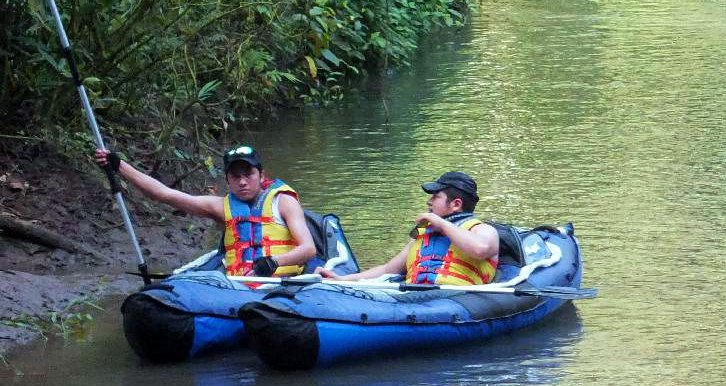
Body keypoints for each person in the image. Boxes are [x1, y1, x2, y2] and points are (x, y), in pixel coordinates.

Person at [93, 143, 315, 277]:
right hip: (240, 284)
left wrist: (272, 263)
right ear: (227, 180)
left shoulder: (283, 201)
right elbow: (164, 194)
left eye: (249, 174)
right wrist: (119, 166)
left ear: (261, 175)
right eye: (235, 176)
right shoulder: (220, 207)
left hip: (281, 282)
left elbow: (308, 249)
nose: (242, 182)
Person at [319, 171, 499, 286]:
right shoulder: (423, 234)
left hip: (457, 301)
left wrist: (442, 224)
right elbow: (387, 270)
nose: (429, 202)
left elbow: (481, 249)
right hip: (414, 298)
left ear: (456, 204)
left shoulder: (483, 230)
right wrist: (341, 279)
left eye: (435, 197)